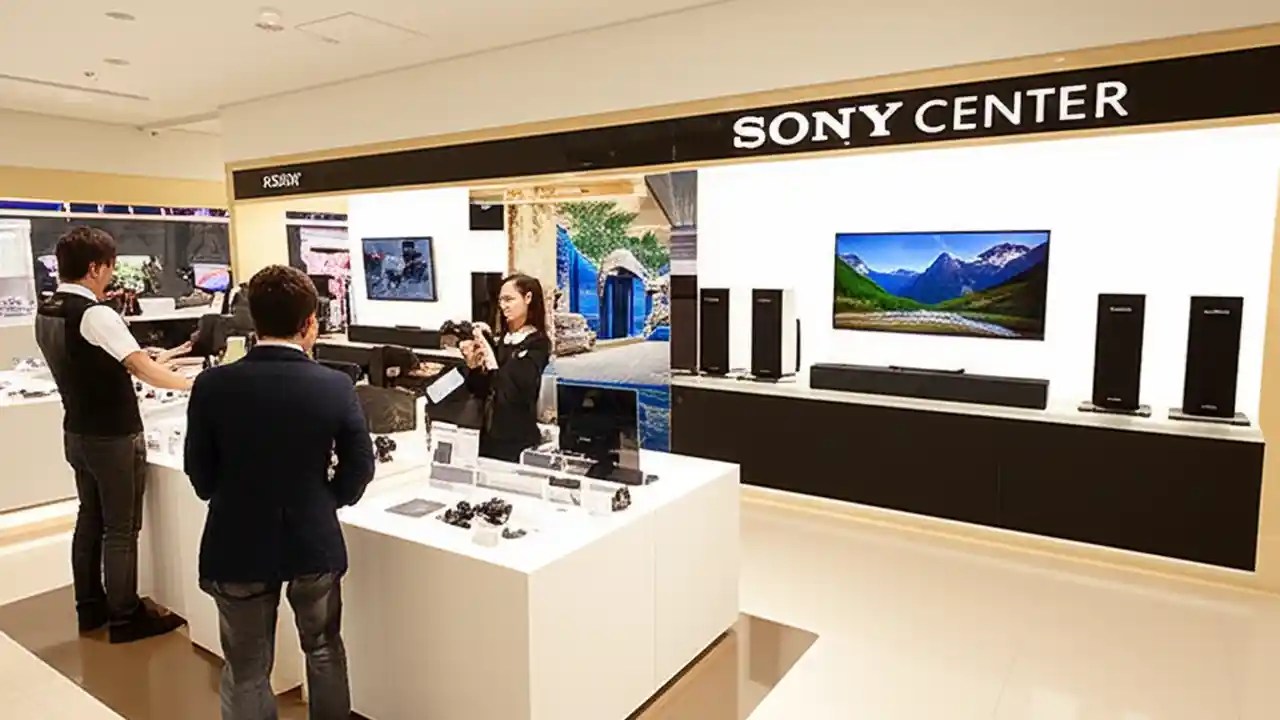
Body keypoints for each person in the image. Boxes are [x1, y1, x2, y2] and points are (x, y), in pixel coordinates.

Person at [184, 264, 375, 720]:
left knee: (247, 668)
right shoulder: (335, 385)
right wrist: (329, 499)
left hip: (236, 539)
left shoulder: (212, 385)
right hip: (313, 537)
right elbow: (360, 467)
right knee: (324, 649)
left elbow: (200, 473)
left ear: (254, 321)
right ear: (310, 322)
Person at [33, 226, 193, 643]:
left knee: (90, 518)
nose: (111, 275)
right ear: (95, 268)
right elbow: (143, 370)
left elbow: (97, 361)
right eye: (110, 267)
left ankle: (90, 606)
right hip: (113, 435)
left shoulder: (48, 309)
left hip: (77, 431)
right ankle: (125, 615)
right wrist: (198, 383)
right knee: (121, 528)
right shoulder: (96, 313)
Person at [459, 273, 553, 462]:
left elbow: (515, 388)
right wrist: (474, 365)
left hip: (517, 440)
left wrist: (490, 356)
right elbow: (482, 390)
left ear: (528, 298)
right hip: (488, 436)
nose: (503, 306)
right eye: (501, 300)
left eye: (509, 299)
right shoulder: (503, 340)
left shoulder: (538, 344)